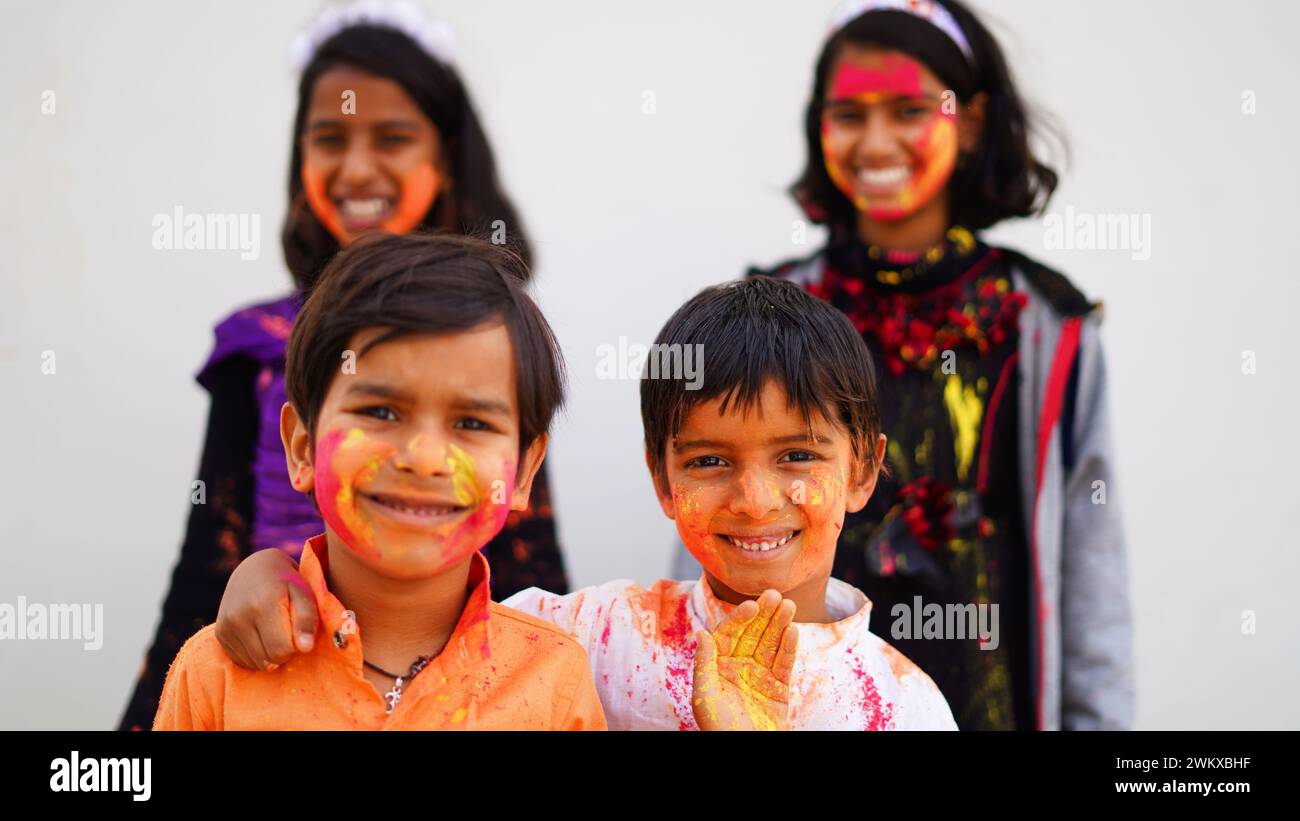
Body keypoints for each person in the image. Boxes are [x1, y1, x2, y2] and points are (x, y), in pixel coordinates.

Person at [212, 276, 958, 731]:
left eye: (797, 455)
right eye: (708, 461)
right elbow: (406, 620)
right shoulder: (587, 636)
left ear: (863, 469)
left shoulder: (903, 706)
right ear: (662, 482)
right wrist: (272, 570)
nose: (756, 499)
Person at [680, 0, 1133, 730]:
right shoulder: (775, 307)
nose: (876, 139)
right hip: (789, 702)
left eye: (910, 109)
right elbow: (713, 507)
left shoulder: (1047, 325)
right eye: (850, 114)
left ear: (974, 120)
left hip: (993, 697)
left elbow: (1091, 565)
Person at [122, 3, 568, 731]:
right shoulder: (256, 350)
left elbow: (533, 577)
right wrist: (257, 571)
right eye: (330, 138)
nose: (358, 167)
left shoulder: (499, 345)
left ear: (448, 155)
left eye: (393, 138)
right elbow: (202, 571)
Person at [154, 232, 603, 730]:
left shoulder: (553, 683)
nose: (424, 458)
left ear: (522, 472)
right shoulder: (217, 675)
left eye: (473, 424)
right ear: (303, 447)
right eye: (381, 411)